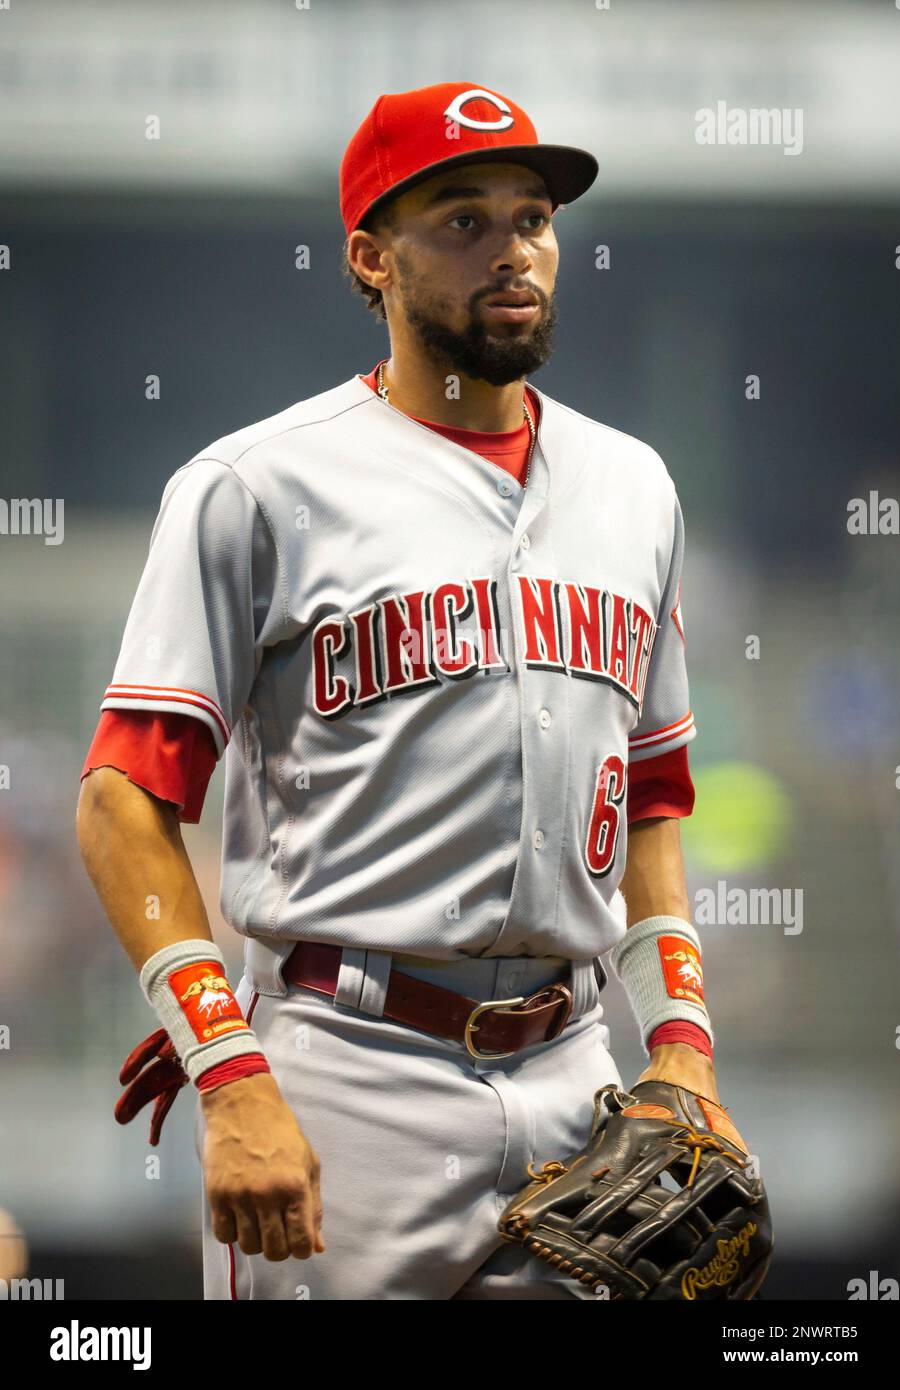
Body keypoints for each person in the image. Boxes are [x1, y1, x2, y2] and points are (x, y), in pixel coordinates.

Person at [77, 82, 718, 1301]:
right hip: (346, 1067)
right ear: (369, 259)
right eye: (462, 221)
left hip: (577, 1069)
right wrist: (226, 1067)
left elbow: (649, 796)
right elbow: (122, 798)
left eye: (530, 217)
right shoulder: (253, 486)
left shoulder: (634, 487)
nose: (512, 248)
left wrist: (680, 1047)